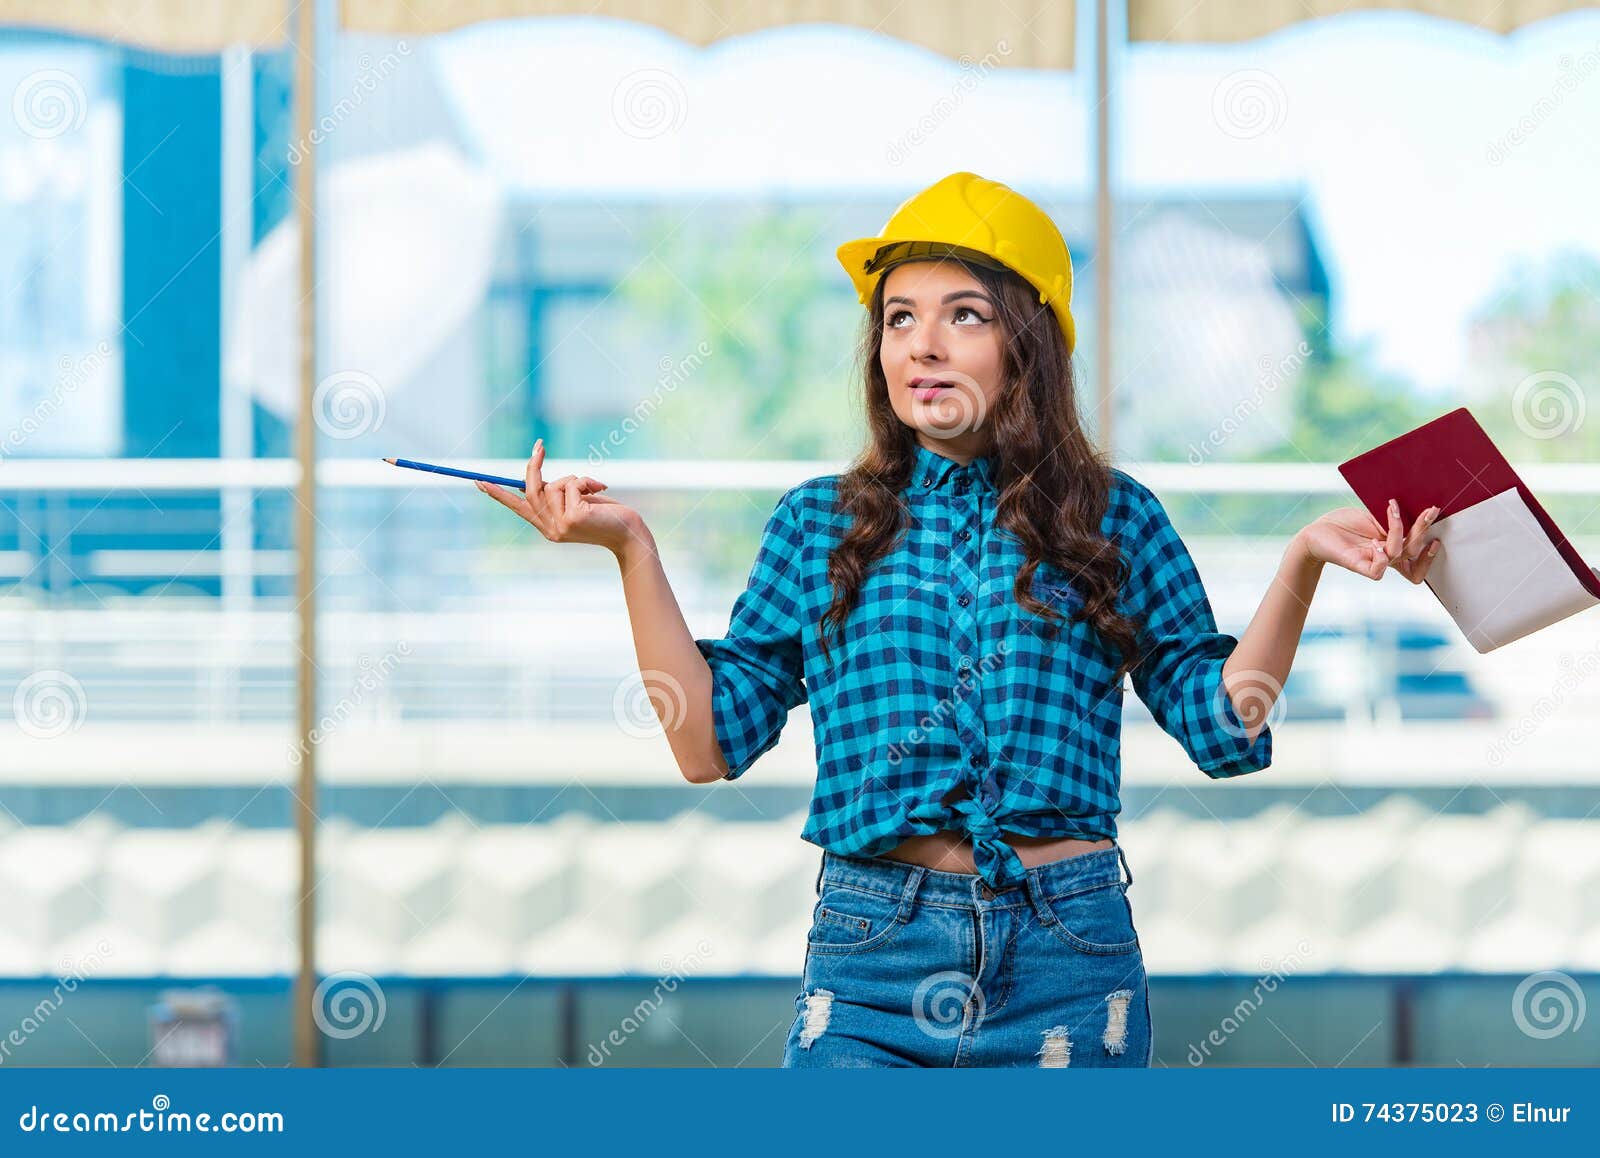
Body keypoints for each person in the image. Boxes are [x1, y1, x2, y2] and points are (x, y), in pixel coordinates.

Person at [475, 171, 1443, 1068]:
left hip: (1067, 955)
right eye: (898, 318)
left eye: (962, 316)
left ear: (1027, 345)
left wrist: (1302, 564)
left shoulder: (1114, 518)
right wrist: (629, 549)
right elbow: (708, 744)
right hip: (869, 956)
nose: (920, 345)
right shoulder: (817, 525)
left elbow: (1223, 730)